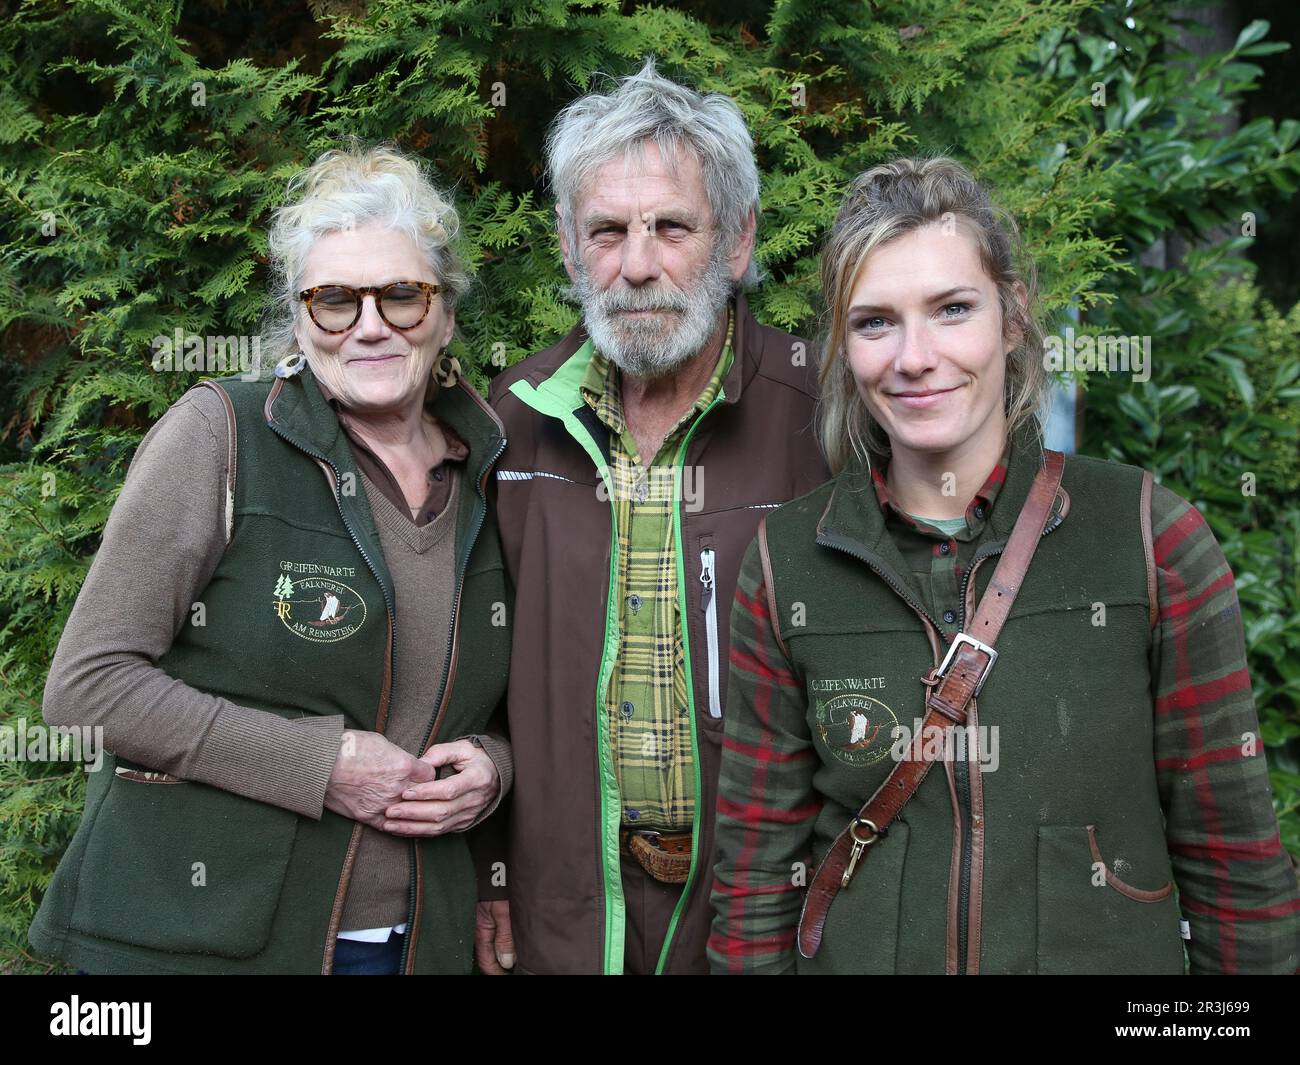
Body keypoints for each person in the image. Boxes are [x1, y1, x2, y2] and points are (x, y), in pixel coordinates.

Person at [709, 155, 1300, 974]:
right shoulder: (787, 563)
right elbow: (755, 881)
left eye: (952, 309)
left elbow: (1236, 870)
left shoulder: (1150, 539)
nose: (915, 357)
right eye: (875, 321)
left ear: (1013, 316)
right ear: (843, 347)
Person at [28, 145, 515, 975]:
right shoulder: (219, 434)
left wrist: (494, 770)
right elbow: (88, 687)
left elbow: (509, 696)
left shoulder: (492, 467)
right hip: (206, 942)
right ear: (298, 319)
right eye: (334, 300)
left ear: (445, 311)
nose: (369, 325)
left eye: (402, 295)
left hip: (413, 943)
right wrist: (320, 764)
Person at [484, 59, 829, 974]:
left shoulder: (824, 417)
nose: (636, 266)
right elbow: (462, 680)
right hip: (561, 905)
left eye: (671, 226)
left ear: (738, 239)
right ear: (568, 247)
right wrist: (484, 870)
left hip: (763, 908)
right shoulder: (508, 425)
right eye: (606, 231)